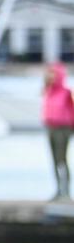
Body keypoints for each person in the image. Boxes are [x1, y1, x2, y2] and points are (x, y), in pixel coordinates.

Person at [42, 62, 74, 200]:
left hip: (63, 128)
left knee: (62, 159)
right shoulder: (48, 90)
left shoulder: (66, 92)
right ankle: (58, 190)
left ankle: (66, 192)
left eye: (53, 73)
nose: (51, 75)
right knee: (54, 160)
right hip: (51, 128)